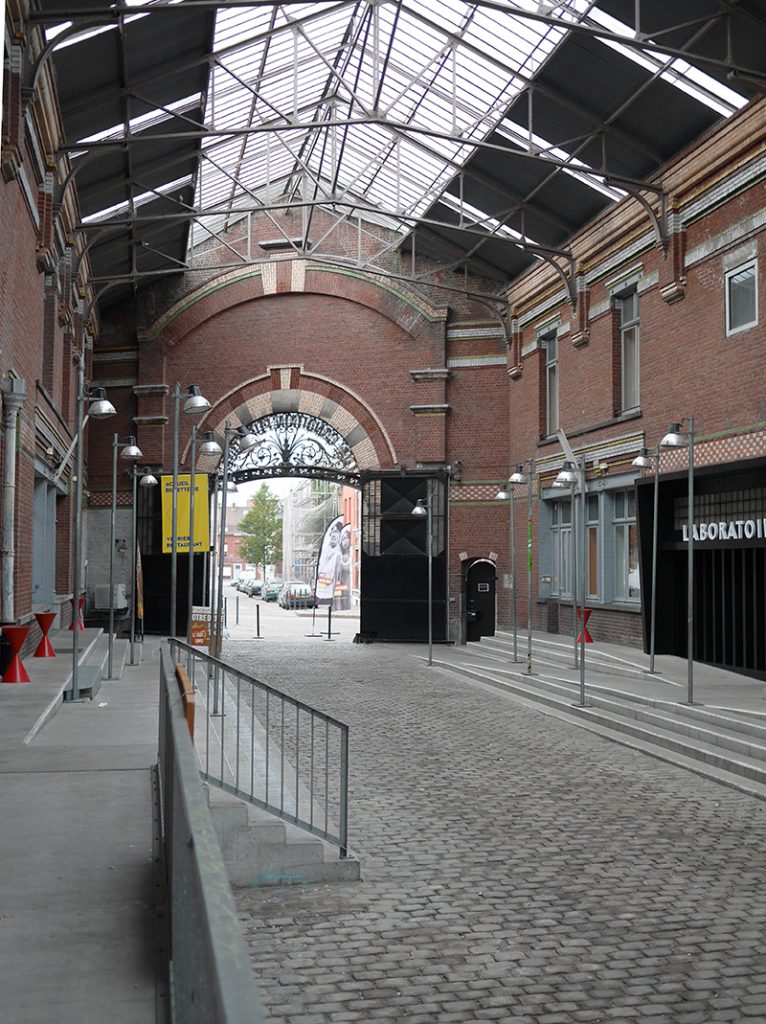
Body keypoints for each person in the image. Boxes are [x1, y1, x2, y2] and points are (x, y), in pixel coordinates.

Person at [316, 518, 342, 603]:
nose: (333, 535)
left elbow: (327, 573)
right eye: (332, 532)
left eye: (336, 532)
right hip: (323, 593)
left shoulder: (338, 555)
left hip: (332, 593)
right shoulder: (326, 551)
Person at [335, 525, 352, 610]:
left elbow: (347, 567)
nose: (344, 541)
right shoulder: (339, 554)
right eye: (343, 539)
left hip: (348, 583)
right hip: (341, 583)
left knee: (347, 597)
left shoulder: (351, 554)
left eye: (346, 538)